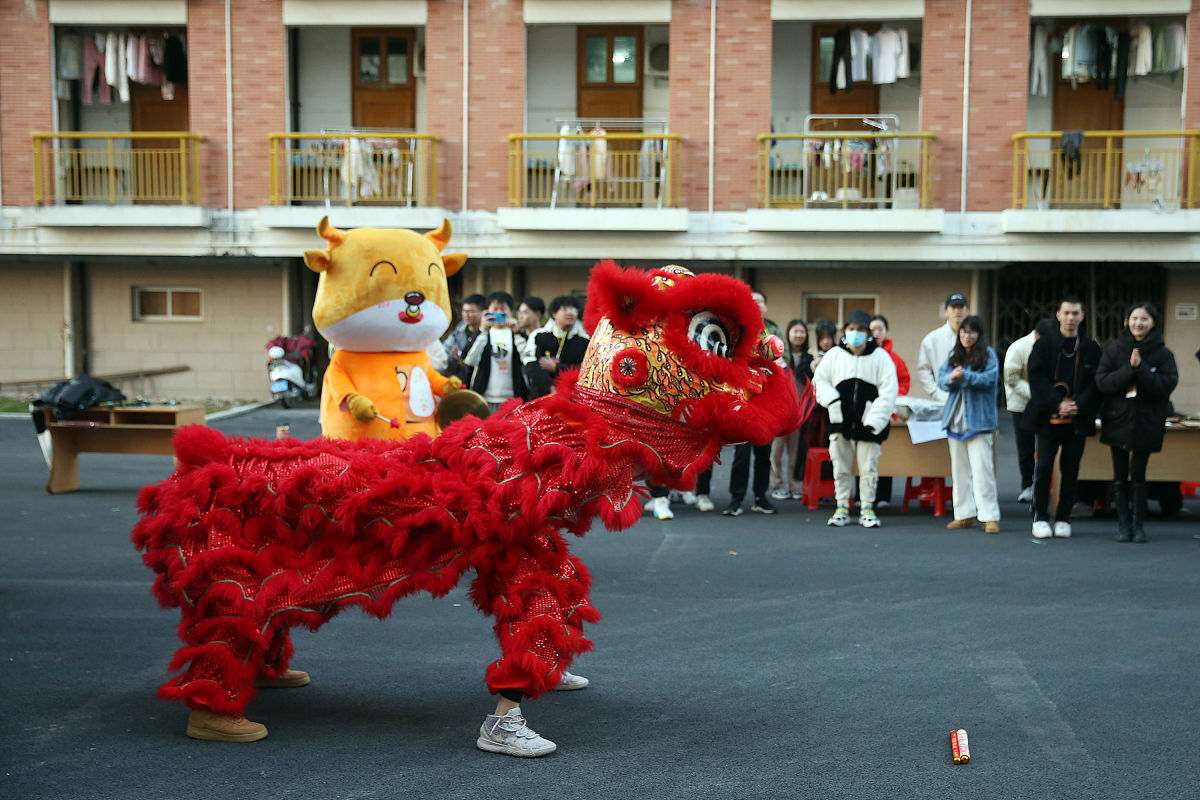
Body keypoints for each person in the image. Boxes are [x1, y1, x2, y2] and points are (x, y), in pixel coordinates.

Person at [1095, 303, 1178, 543]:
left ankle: (1138, 525)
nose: (1138, 323)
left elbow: (1166, 385)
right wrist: (1128, 371)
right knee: (1119, 475)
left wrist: (1141, 369)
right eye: (1134, 318)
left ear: (1153, 322)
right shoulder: (1115, 349)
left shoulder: (1164, 354)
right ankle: (1123, 526)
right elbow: (1102, 382)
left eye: (1144, 319)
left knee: (1139, 476)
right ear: (1126, 321)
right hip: (1117, 420)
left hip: (1147, 421)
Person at [1025, 296, 1102, 539]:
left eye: (1075, 313)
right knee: (1044, 467)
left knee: (1071, 468)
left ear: (1082, 316)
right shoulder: (1043, 346)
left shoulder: (1091, 348)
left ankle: (1063, 518)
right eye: (1066, 313)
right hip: (1048, 417)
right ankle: (1040, 517)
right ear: (1058, 314)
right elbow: (1036, 380)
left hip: (1077, 419)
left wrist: (1078, 405)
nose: (1070, 318)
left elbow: (1096, 384)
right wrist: (1057, 403)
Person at [812, 310, 898, 528]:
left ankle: (867, 507)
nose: (855, 334)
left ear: (868, 333)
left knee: (868, 468)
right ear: (845, 331)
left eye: (860, 330)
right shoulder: (834, 355)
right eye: (851, 329)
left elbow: (889, 391)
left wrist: (875, 420)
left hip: (868, 426)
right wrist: (832, 402)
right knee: (840, 466)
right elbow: (819, 381)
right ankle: (842, 506)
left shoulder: (881, 357)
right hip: (839, 423)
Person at [937, 316, 1001, 533]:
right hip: (955, 422)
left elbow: (990, 379)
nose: (967, 336)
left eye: (972, 332)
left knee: (983, 471)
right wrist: (950, 378)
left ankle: (990, 516)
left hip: (979, 423)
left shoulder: (988, 355)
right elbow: (941, 379)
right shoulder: (954, 355)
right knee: (959, 471)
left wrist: (964, 376)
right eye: (963, 331)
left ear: (979, 334)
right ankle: (964, 514)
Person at [1003, 318, 1056, 503]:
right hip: (1021, 403)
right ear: (1037, 335)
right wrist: (1038, 394)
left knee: (1047, 444)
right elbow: (1012, 379)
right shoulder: (1018, 348)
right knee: (1025, 446)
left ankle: (1049, 485)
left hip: (1046, 403)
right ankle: (1027, 485)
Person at [867, 314, 910, 507]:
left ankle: (883, 495)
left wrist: (893, 397)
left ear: (886, 332)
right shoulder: (861, 354)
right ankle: (861, 496)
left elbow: (904, 380)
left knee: (887, 453)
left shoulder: (895, 358)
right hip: (865, 410)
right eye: (873, 329)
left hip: (887, 411)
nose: (876, 333)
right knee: (864, 452)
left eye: (880, 329)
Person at [463, 291, 529, 412]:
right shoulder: (482, 334)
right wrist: (482, 329)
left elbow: (528, 360)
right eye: (495, 309)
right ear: (487, 311)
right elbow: (470, 360)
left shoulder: (517, 335)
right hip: (484, 398)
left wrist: (517, 333)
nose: (498, 313)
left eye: (503, 309)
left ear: (511, 312)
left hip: (513, 399)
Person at [770, 319, 813, 501]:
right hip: (780, 413)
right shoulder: (780, 357)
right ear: (788, 334)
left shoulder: (809, 359)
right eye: (795, 331)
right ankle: (777, 485)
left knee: (795, 452)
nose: (798, 335)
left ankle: (795, 485)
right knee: (776, 451)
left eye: (802, 331)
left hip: (798, 414)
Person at [522, 295, 589, 398]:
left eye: (574, 309)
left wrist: (556, 368)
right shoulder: (538, 335)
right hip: (540, 396)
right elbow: (531, 365)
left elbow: (583, 370)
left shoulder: (584, 340)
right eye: (565, 309)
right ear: (554, 313)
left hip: (571, 397)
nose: (570, 313)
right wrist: (550, 387)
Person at [918, 293, 970, 402]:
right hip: (941, 401)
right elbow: (924, 371)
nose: (957, 311)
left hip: (969, 401)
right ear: (946, 311)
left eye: (961, 307)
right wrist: (937, 393)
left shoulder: (974, 339)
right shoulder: (932, 339)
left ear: (967, 310)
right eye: (953, 307)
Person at [443, 294, 485, 380]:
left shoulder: (489, 333)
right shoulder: (458, 332)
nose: (467, 315)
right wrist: (454, 358)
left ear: (483, 312)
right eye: (464, 311)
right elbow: (444, 353)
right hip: (461, 381)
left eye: (471, 311)